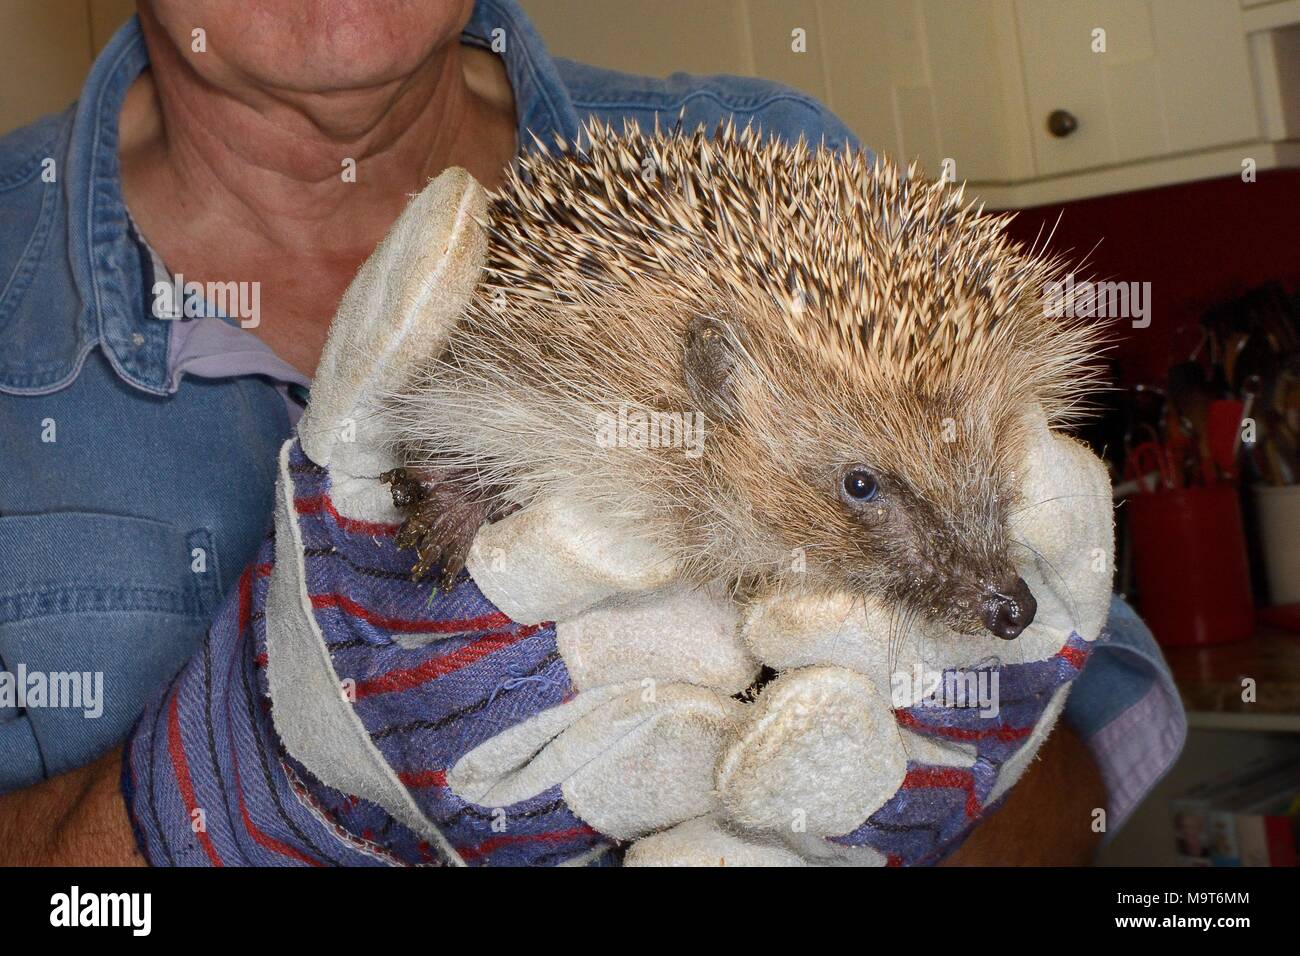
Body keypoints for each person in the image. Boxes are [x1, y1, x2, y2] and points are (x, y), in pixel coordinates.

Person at [0, 0, 1184, 865]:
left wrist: (924, 796)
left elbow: (1073, 790)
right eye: (867, 488)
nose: (983, 584)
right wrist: (218, 796)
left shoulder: (783, 152)